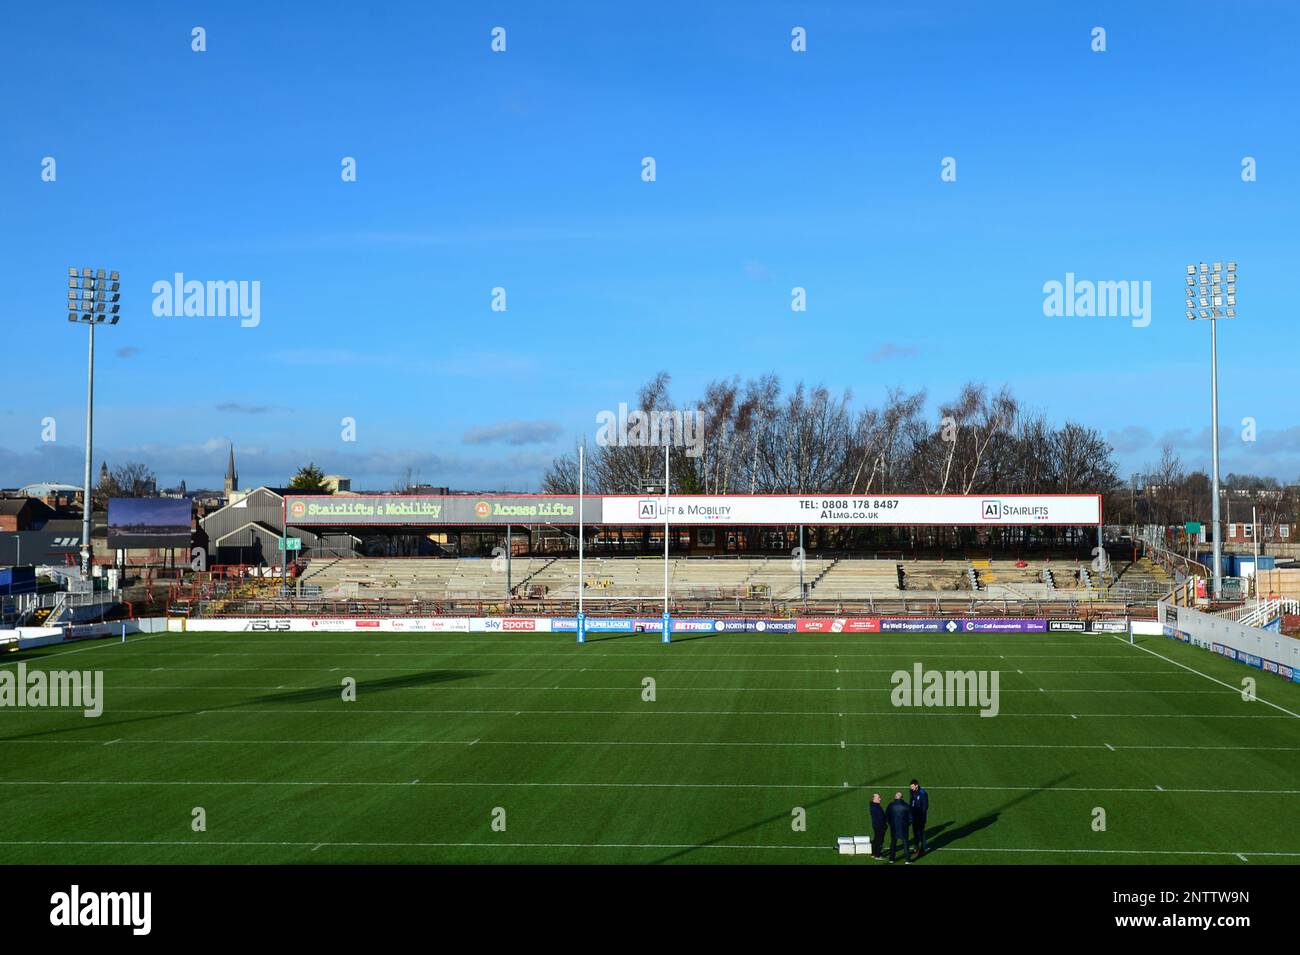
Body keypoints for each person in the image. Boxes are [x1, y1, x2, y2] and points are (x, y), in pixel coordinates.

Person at [885, 791, 912, 863]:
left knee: (893, 843)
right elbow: (911, 818)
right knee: (905, 844)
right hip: (904, 827)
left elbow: (887, 815)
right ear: (902, 797)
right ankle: (907, 860)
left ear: (895, 797)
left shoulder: (891, 805)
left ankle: (891, 859)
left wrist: (890, 823)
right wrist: (907, 824)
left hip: (894, 827)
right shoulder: (906, 806)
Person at [909, 779, 929, 858]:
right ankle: (916, 847)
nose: (911, 788)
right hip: (914, 816)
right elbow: (911, 802)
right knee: (915, 832)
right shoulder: (911, 791)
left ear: (916, 785)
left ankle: (924, 847)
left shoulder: (923, 793)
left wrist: (921, 816)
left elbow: (925, 806)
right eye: (911, 787)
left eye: (912, 786)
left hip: (920, 817)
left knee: (921, 832)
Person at [869, 793, 887, 860]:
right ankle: (877, 855)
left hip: (876, 825)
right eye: (879, 797)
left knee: (876, 840)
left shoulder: (873, 805)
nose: (880, 799)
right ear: (874, 799)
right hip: (879, 826)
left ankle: (873, 853)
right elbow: (881, 818)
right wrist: (884, 825)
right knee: (880, 840)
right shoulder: (876, 807)